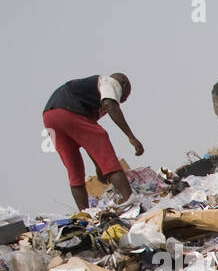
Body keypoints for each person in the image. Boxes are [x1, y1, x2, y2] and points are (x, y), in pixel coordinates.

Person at [43, 74, 144, 210]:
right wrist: (131, 137)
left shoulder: (91, 98)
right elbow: (109, 104)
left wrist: (98, 166)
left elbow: (88, 140)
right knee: (102, 138)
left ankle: (85, 213)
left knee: (74, 168)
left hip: (49, 117)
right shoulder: (110, 82)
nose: (123, 99)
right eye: (126, 95)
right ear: (124, 84)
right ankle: (129, 199)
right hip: (67, 110)